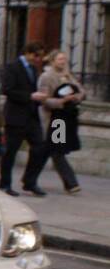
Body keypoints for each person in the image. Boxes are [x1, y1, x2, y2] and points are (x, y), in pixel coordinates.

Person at [0, 41, 50, 196]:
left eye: (40, 56)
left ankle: (30, 181)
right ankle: (5, 184)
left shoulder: (34, 69)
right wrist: (29, 96)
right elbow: (7, 89)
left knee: (40, 148)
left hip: (31, 116)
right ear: (27, 53)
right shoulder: (12, 67)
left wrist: (38, 96)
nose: (38, 59)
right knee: (10, 152)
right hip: (16, 117)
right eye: (36, 55)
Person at [37, 49, 84, 194]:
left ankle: (29, 178)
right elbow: (44, 99)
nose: (63, 62)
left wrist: (77, 96)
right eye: (59, 59)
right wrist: (62, 101)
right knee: (57, 150)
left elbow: (81, 90)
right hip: (54, 119)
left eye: (64, 59)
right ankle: (71, 183)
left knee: (50, 150)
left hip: (66, 119)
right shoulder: (46, 77)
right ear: (52, 61)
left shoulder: (68, 75)